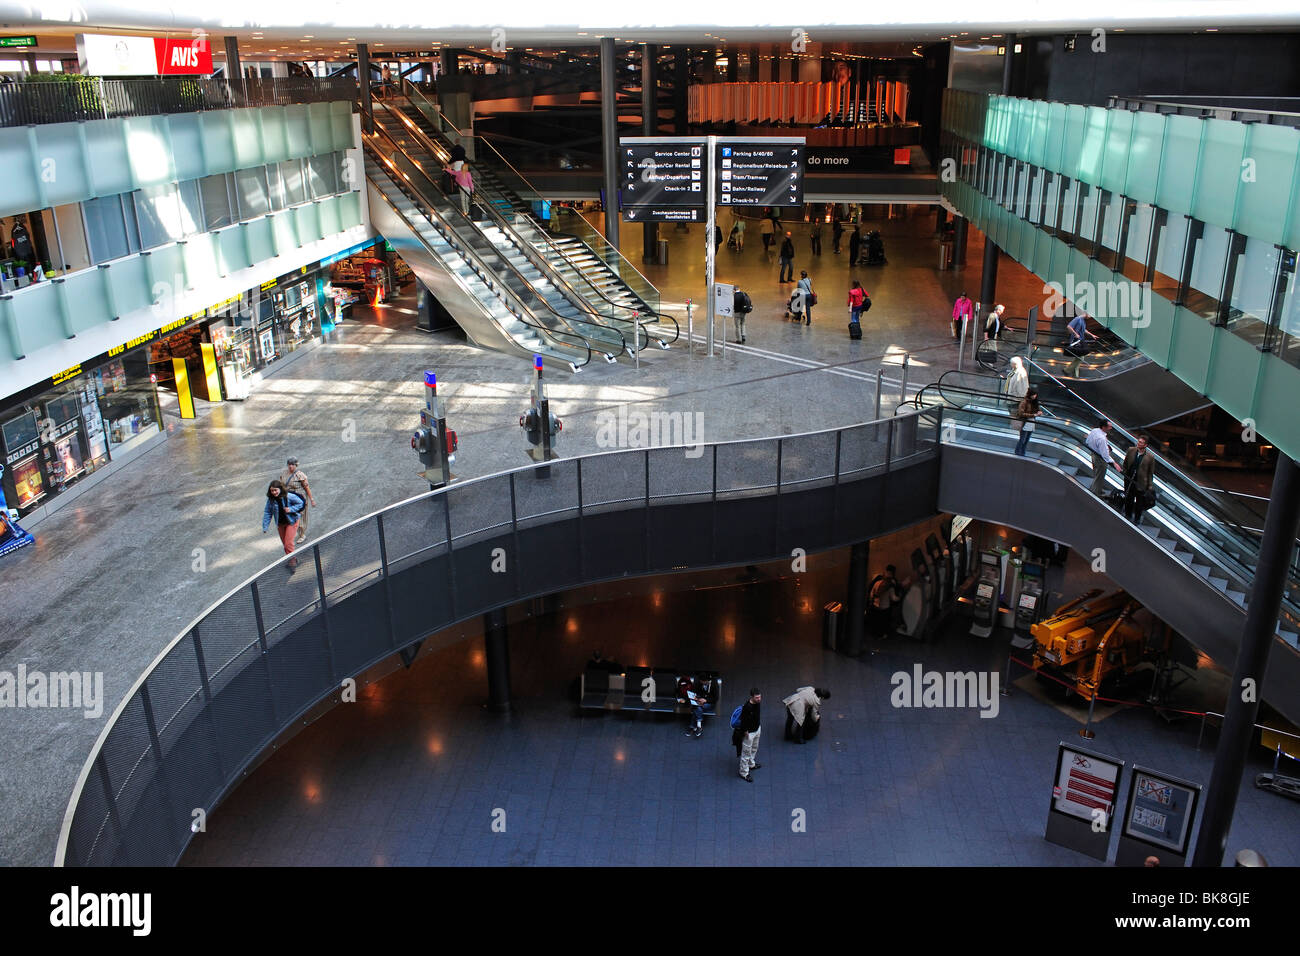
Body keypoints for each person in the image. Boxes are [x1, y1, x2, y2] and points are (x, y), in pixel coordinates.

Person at [262, 480, 305, 568]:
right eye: (272, 490)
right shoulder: (271, 500)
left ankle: (292, 561)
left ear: (280, 489)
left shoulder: (288, 496)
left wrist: (291, 509)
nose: (274, 492)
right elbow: (268, 512)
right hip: (281, 524)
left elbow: (301, 503)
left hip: (292, 521)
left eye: (275, 490)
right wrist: (265, 526)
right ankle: (291, 558)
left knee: (288, 543)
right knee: (285, 544)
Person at [279, 457, 318, 544]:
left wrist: (311, 499)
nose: (290, 466)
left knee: (301, 516)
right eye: (289, 465)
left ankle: (302, 534)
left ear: (296, 465)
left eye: (292, 465)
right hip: (289, 498)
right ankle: (296, 532)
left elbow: (306, 487)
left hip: (300, 498)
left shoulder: (300, 475)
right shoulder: (284, 474)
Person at [1122, 435, 1157, 524]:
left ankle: (1137, 518)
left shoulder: (1150, 457)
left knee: (1139, 502)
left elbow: (1150, 472)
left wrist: (1149, 485)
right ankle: (1128, 514)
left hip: (1141, 483)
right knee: (1129, 498)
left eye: (1141, 442)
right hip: (1130, 479)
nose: (1138, 443)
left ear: (1145, 445)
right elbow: (1125, 463)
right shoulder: (1131, 450)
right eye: (1138, 441)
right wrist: (1125, 473)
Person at [1086, 419, 1121, 496]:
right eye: (1110, 427)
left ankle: (1096, 489)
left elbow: (1087, 441)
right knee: (1099, 476)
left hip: (1094, 455)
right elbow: (1105, 455)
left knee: (1096, 473)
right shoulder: (1102, 438)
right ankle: (1095, 493)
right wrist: (1114, 463)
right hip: (1100, 459)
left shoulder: (1095, 430)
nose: (1111, 428)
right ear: (1104, 427)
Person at [735, 688, 762, 782]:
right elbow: (744, 720)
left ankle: (751, 764)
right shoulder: (747, 707)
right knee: (746, 752)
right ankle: (744, 773)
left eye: (760, 696)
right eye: (757, 697)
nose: (759, 699)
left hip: (757, 729)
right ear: (752, 697)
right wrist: (745, 731)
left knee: (754, 748)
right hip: (749, 733)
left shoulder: (757, 703)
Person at [869, 565, 904, 638]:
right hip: (885, 608)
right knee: (883, 623)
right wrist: (900, 597)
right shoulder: (890, 585)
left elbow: (871, 593)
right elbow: (894, 598)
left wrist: (872, 600)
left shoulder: (877, 582)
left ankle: (876, 634)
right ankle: (882, 635)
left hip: (875, 606)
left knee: (877, 622)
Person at [1014, 387, 1042, 456]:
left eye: (1035, 395)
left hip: (1031, 423)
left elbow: (1038, 409)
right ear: (1030, 394)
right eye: (1033, 394)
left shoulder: (1035, 402)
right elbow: (1021, 413)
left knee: (1026, 440)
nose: (1034, 396)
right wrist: (1033, 415)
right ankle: (1018, 452)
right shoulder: (1024, 402)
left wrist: (1039, 412)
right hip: (1025, 422)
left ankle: (1023, 452)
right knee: (1022, 439)